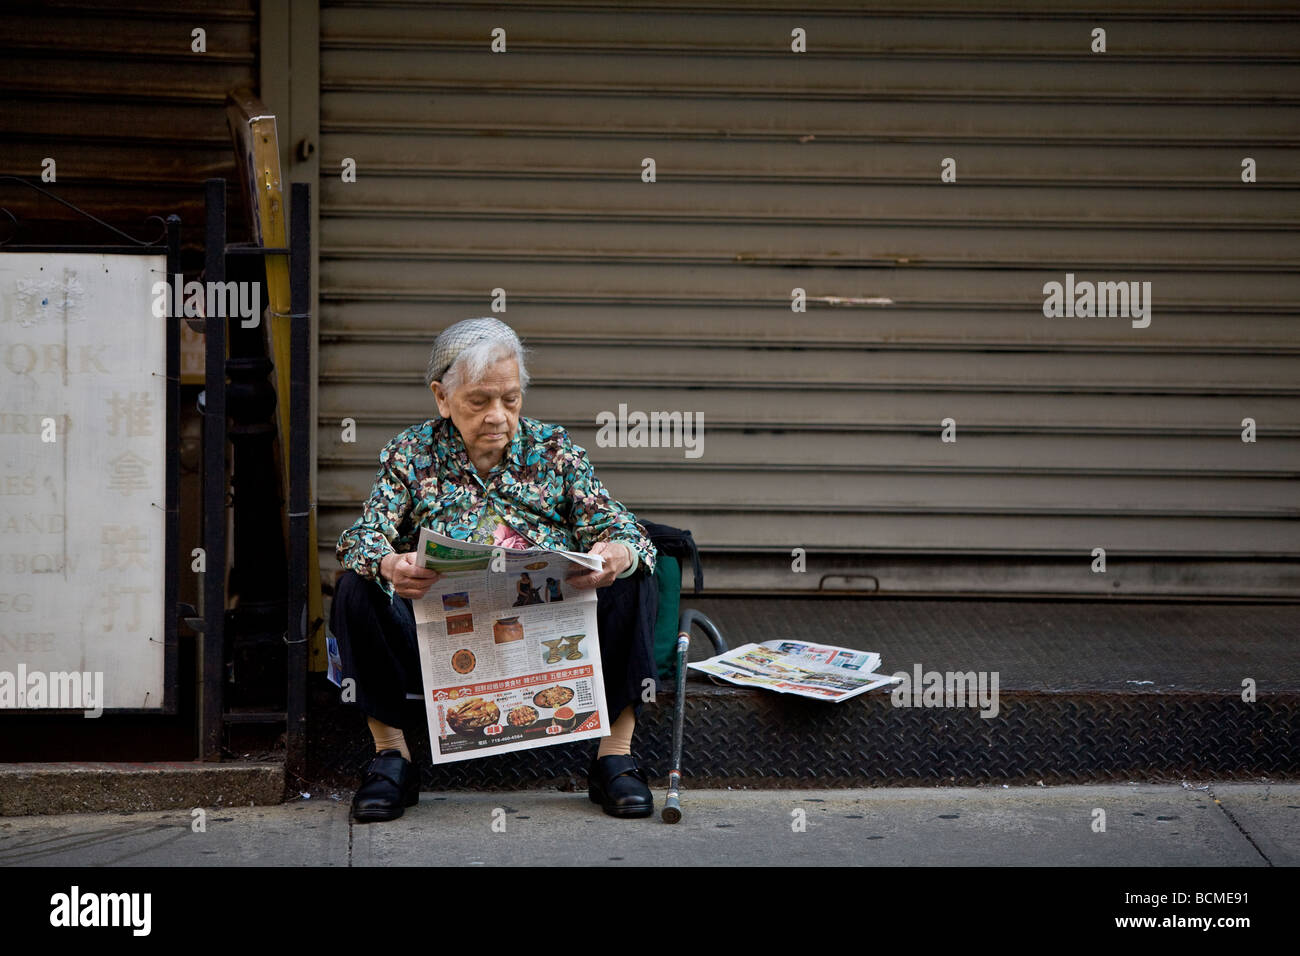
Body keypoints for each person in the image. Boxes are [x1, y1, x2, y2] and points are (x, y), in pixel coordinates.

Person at [332, 317, 659, 823]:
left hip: (549, 630)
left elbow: (622, 527)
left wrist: (615, 554)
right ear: (442, 398)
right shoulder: (410, 454)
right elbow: (359, 536)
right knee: (357, 584)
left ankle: (614, 755)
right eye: (479, 401)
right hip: (443, 634)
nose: (498, 416)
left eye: (510, 399)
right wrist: (389, 563)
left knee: (637, 571)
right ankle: (392, 757)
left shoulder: (554, 451)